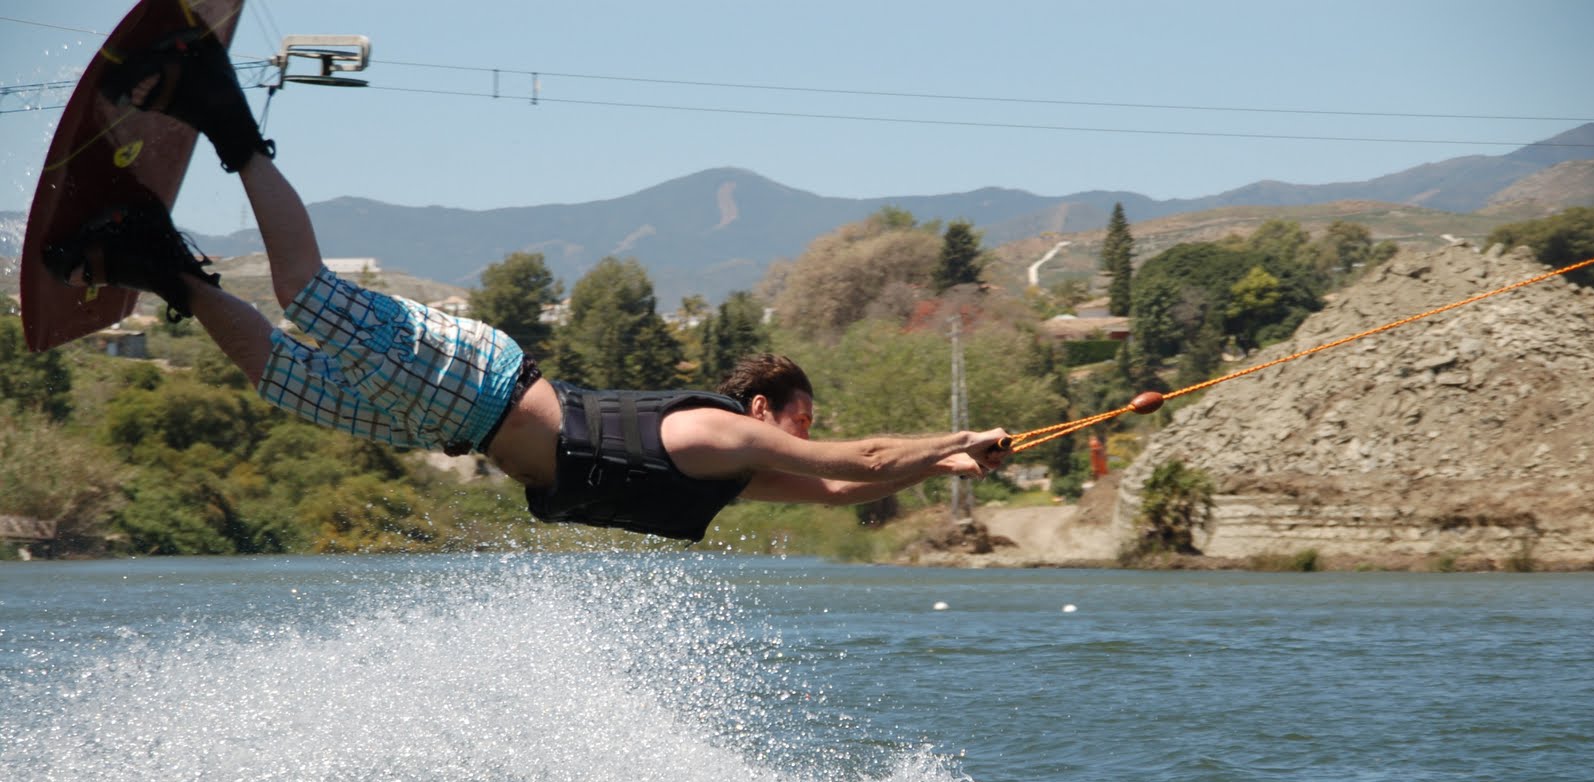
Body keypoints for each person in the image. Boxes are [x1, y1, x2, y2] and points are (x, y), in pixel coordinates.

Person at [45, 28, 1009, 541]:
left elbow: (849, 488)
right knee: (306, 296)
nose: (810, 441)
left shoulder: (740, 479)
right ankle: (223, 110)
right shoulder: (718, 433)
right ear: (766, 406)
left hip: (456, 422)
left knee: (281, 377)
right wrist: (956, 440)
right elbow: (866, 457)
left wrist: (944, 468)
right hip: (475, 383)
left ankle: (157, 264)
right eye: (804, 421)